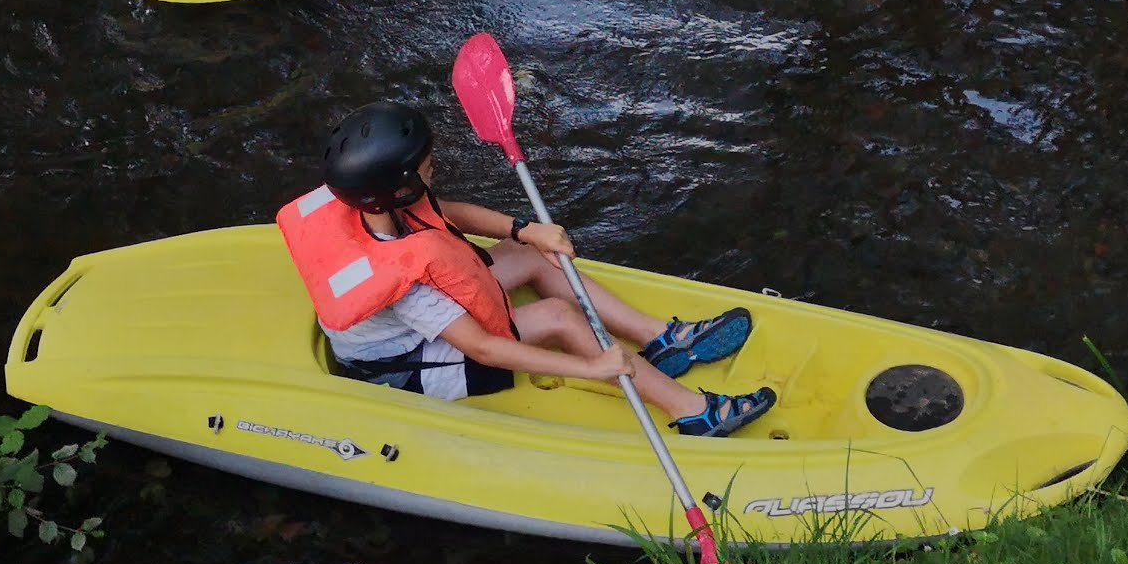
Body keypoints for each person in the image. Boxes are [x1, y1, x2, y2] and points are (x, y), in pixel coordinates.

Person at [276, 102, 776, 438]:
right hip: (405, 368)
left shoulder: (376, 204)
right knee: (558, 315)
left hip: (416, 315)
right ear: (397, 186)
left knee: (538, 257)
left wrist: (525, 230)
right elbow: (484, 347)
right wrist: (590, 367)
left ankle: (663, 339)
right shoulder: (406, 288)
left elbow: (447, 212)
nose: (435, 166)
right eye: (427, 164)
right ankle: (690, 411)